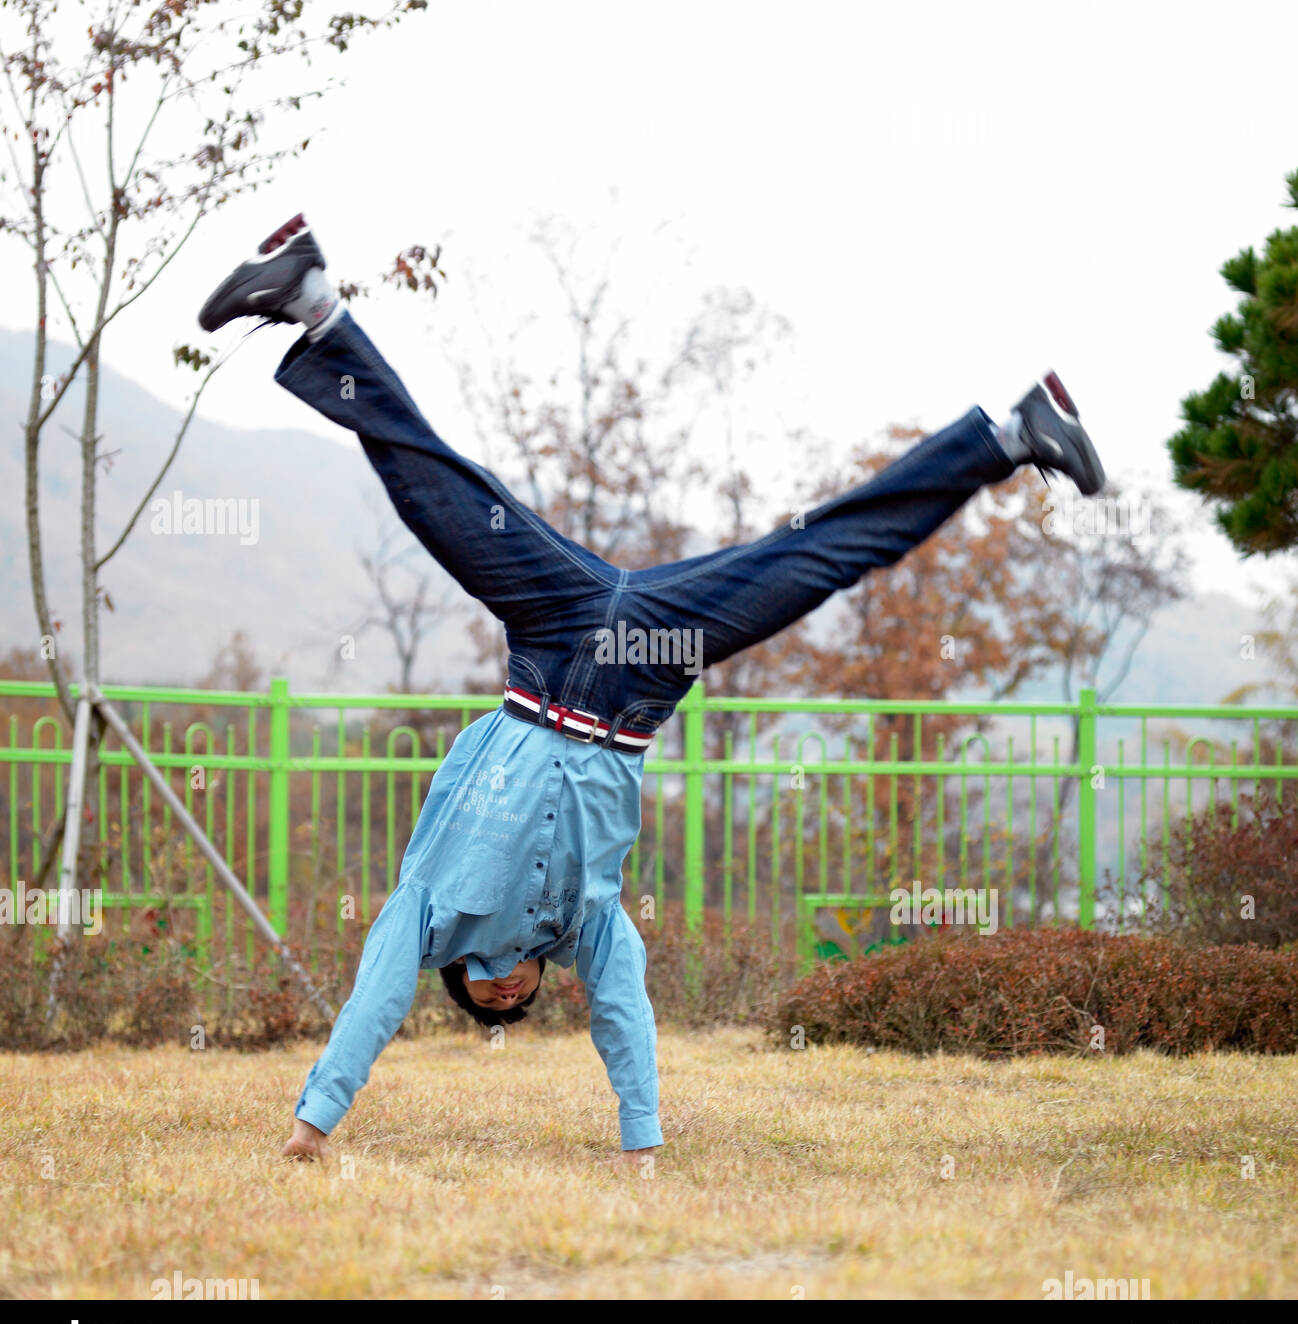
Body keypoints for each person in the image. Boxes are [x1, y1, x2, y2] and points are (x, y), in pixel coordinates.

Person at [198, 214, 1106, 1167]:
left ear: (462, 978)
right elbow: (623, 1008)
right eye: (523, 1001)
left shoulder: (424, 917)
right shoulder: (581, 926)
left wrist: (313, 1127)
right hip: (639, 667)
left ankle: (309, 298)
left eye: (487, 997)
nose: (509, 996)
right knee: (813, 559)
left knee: (436, 487)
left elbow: (374, 1005)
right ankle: (1012, 435)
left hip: (548, 644)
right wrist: (642, 1144)